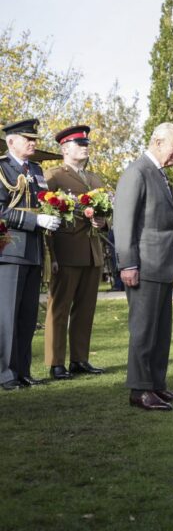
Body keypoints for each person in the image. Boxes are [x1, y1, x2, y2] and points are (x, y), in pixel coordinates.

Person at [113, 122, 173, 411]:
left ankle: (157, 385)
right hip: (144, 265)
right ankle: (140, 390)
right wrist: (128, 263)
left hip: (161, 264)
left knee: (160, 331)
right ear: (158, 142)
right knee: (143, 331)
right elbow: (124, 223)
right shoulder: (137, 172)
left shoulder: (156, 173)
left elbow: (159, 220)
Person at [0, 118, 61, 390]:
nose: (34, 143)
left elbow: (42, 204)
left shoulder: (36, 169)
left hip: (35, 251)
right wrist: (35, 222)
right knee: (7, 317)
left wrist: (54, 214)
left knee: (27, 318)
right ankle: (6, 374)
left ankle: (23, 371)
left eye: (34, 139)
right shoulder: (2, 169)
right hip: (10, 251)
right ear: (11, 141)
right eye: (28, 139)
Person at [43, 124, 107, 380]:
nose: (85, 147)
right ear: (64, 148)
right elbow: (46, 216)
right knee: (59, 309)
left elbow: (104, 214)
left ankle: (80, 359)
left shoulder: (95, 179)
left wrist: (103, 221)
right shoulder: (54, 176)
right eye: (80, 144)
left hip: (92, 252)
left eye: (86, 144)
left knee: (85, 310)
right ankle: (56, 362)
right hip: (66, 251)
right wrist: (51, 256)